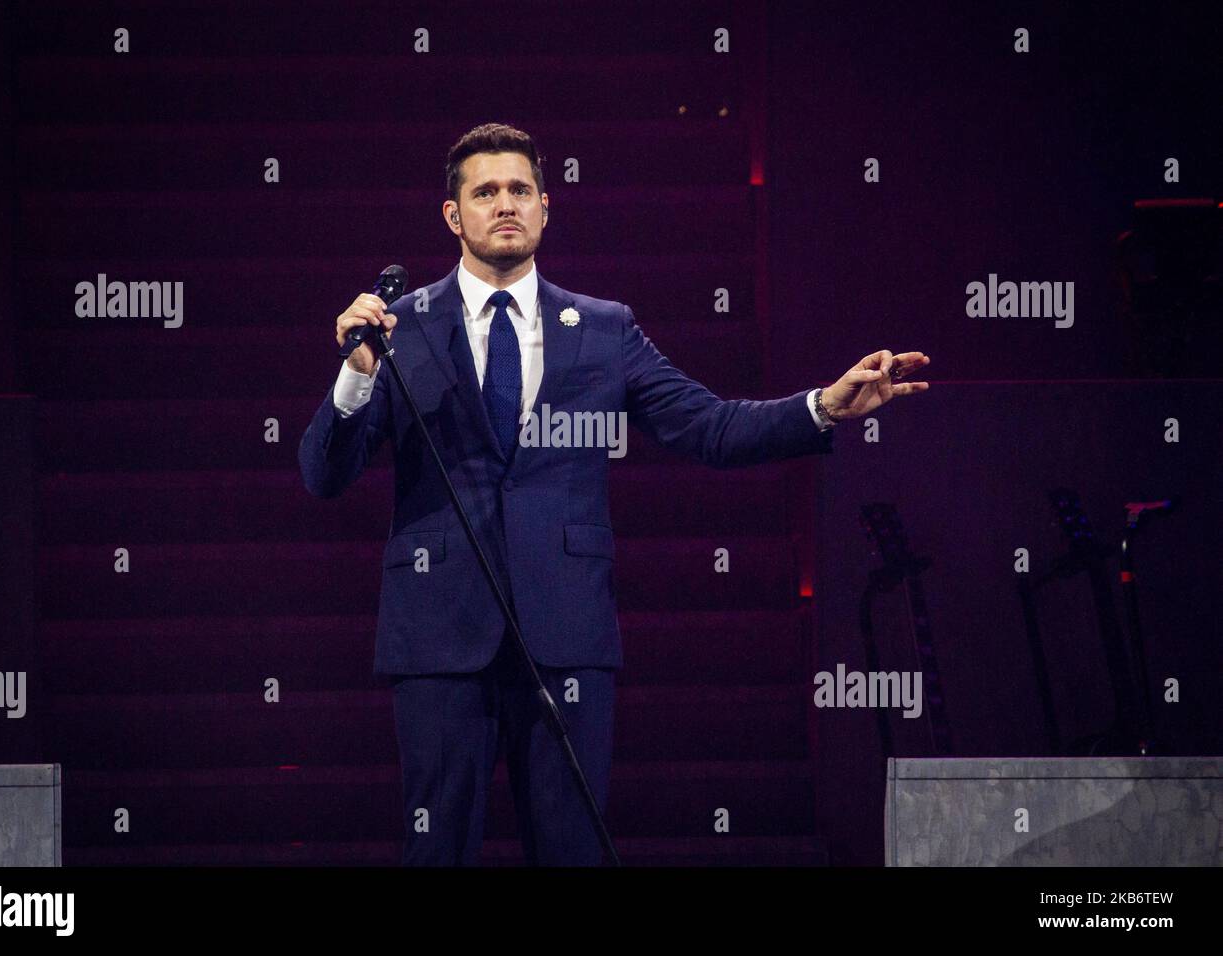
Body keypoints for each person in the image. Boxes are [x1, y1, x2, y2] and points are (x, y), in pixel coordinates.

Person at [298, 122, 930, 865]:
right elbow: (324, 474)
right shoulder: (399, 327)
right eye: (486, 191)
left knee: (573, 851)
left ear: (545, 206)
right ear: (452, 214)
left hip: (566, 632)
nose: (505, 205)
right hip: (438, 634)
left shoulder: (604, 329)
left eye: (520, 190)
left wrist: (821, 405)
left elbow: (709, 427)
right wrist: (357, 371)